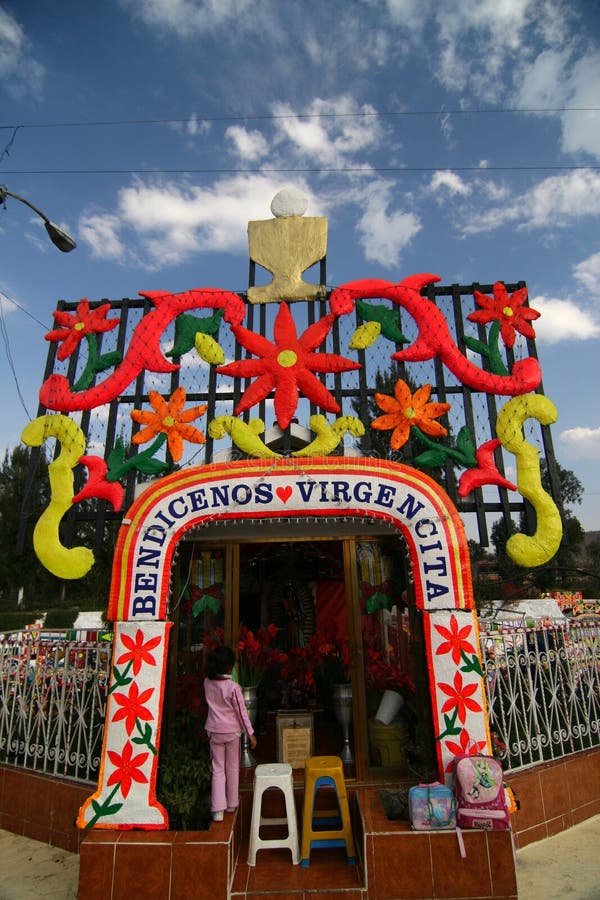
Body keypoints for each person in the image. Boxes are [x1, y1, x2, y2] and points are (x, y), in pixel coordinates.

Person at [204, 645, 257, 822]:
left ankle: (217, 809)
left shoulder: (207, 683)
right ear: (229, 667)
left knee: (217, 769)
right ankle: (232, 803)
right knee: (232, 767)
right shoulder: (233, 687)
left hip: (214, 731)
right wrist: (250, 733)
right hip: (232, 732)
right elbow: (242, 713)